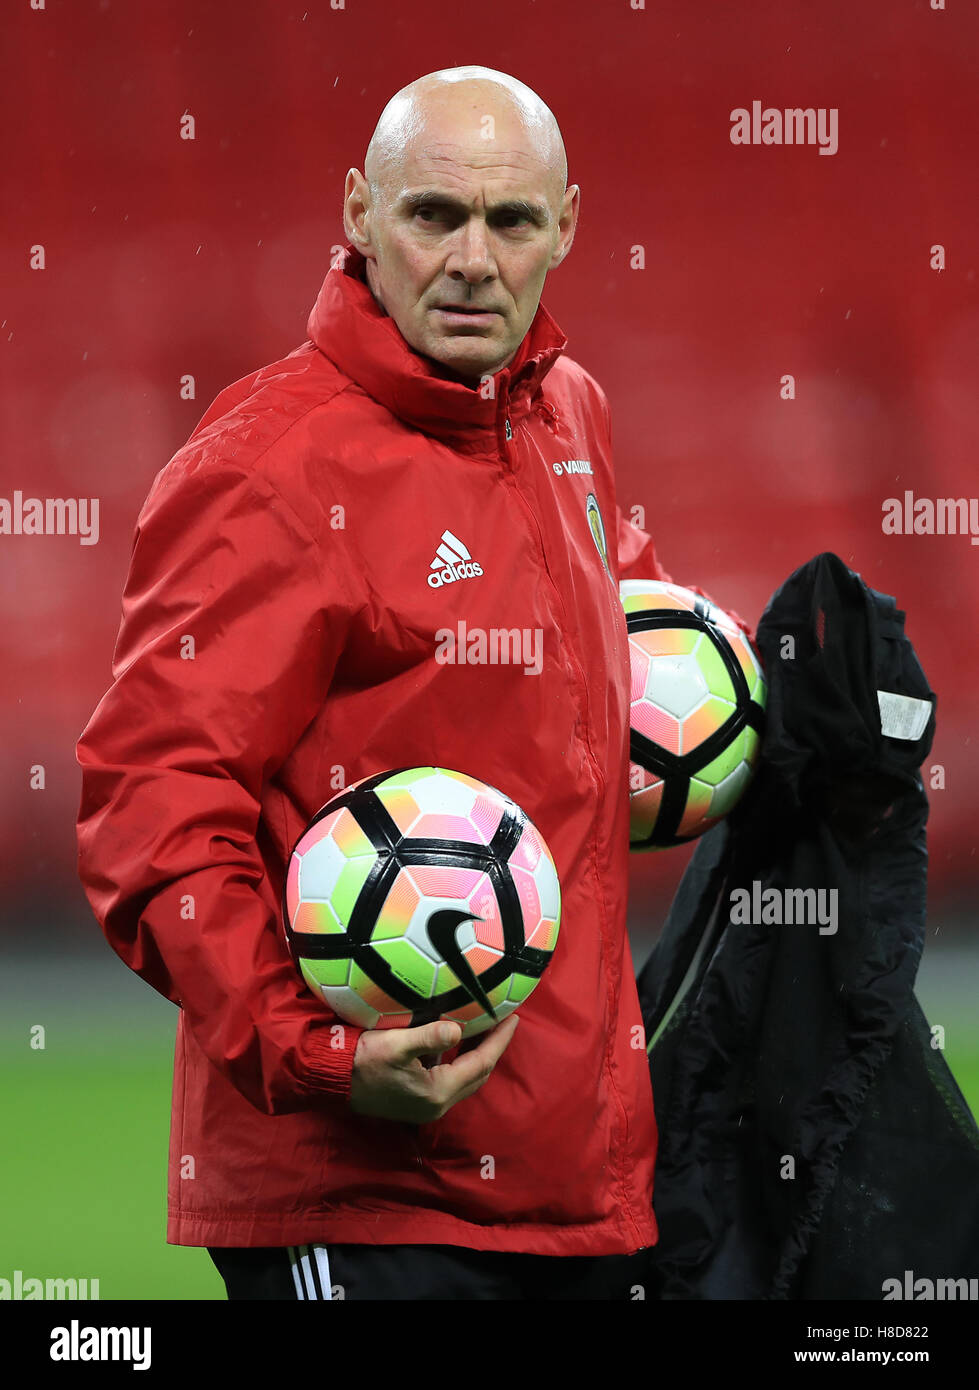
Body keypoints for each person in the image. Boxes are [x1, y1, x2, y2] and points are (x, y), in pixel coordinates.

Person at [75, 65, 671, 1301]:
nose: (472, 258)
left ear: (566, 225)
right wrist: (324, 1054)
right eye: (431, 215)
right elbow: (149, 806)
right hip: (364, 1197)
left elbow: (619, 700)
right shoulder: (266, 467)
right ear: (358, 213)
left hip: (574, 1191)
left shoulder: (569, 418)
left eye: (510, 222)